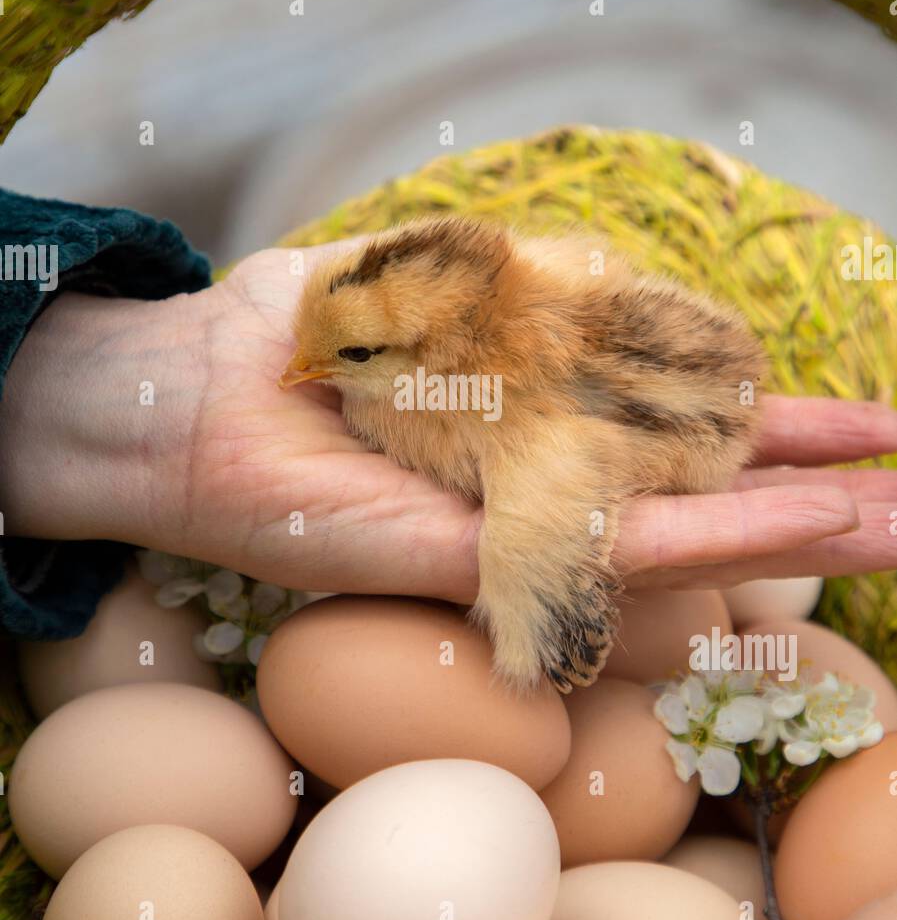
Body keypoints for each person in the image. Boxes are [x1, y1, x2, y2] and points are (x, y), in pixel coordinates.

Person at [0, 191, 895, 640]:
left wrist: (535, 637)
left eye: (348, 359)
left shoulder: (506, 421)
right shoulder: (525, 287)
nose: (298, 372)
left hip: (676, 420)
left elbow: (544, 517)